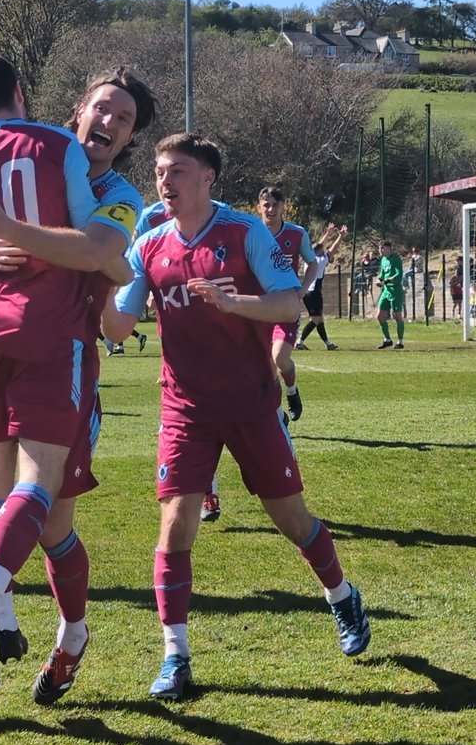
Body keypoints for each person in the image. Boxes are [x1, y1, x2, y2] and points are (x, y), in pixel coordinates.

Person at [102, 134, 372, 701]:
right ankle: (175, 657)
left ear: (208, 179)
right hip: (185, 409)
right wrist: (95, 280)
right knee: (174, 530)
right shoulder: (147, 245)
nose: (164, 182)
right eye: (158, 171)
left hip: (251, 404)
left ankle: (342, 596)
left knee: (292, 520)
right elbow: (117, 330)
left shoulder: (245, 232)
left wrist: (234, 303)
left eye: (177, 171)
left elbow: (289, 303)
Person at [0, 59, 139, 711]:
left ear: (128, 138)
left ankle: (70, 634)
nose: (110, 122)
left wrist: (25, 238)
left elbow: (108, 257)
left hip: (67, 356)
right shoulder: (44, 153)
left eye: (124, 119)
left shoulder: (121, 194)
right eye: (104, 108)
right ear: (78, 109)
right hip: (2, 339)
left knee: (47, 525)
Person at [257, 186, 318, 423]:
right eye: (266, 204)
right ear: (258, 206)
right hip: (257, 308)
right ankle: (277, 414)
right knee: (264, 367)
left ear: (283, 206)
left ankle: (292, 393)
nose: (271, 209)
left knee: (279, 358)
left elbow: (312, 263)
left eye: (275, 204)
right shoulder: (250, 232)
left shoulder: (296, 234)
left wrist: (303, 290)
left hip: (286, 306)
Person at [297, 222, 348, 350]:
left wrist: (327, 234)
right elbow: (334, 248)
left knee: (319, 319)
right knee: (315, 319)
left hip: (307, 291)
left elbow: (319, 246)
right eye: (322, 249)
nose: (324, 249)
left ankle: (328, 343)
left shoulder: (309, 259)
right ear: (320, 252)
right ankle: (300, 341)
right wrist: (341, 236)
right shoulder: (320, 260)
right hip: (314, 292)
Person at [376, 240, 405, 349]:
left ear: (389, 249)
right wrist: (379, 280)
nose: (380, 250)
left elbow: (398, 274)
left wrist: (387, 281)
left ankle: (400, 342)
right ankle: (387, 339)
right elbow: (382, 274)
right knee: (379, 316)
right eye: (380, 248)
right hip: (386, 291)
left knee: (397, 316)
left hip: (395, 292)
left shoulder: (396, 259)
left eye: (382, 248)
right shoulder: (383, 260)